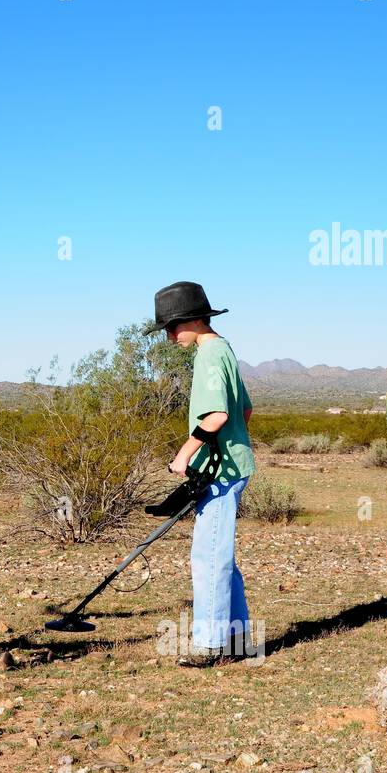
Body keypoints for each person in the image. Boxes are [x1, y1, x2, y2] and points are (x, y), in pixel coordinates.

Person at [151, 281, 255, 667]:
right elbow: (245, 411)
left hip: (220, 472)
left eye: (172, 327)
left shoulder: (209, 355)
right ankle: (239, 636)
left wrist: (183, 457)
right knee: (218, 554)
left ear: (193, 319)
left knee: (208, 557)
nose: (169, 336)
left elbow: (218, 415)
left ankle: (210, 643)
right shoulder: (224, 349)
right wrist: (232, 443)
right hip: (232, 466)